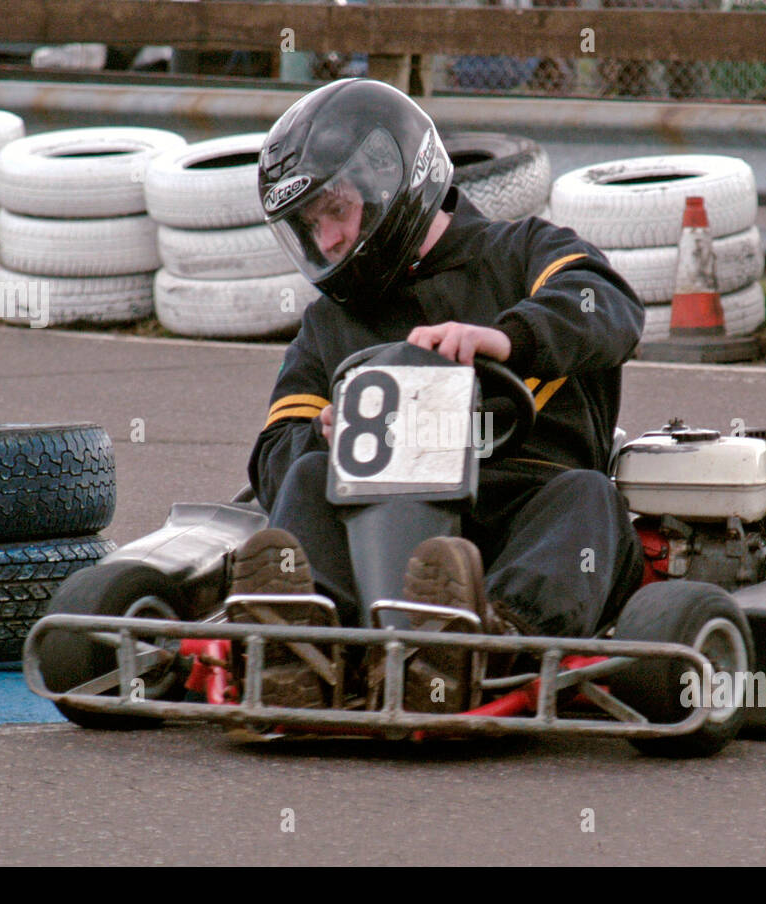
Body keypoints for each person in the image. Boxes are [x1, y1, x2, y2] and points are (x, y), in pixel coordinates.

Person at [236, 77, 646, 711]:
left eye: (336, 212)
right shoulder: (330, 322)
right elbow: (273, 451)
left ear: (388, 178)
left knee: (590, 496)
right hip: (375, 543)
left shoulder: (521, 251)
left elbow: (610, 306)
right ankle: (302, 648)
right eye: (310, 226)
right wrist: (323, 434)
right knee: (308, 471)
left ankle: (481, 640)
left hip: (522, 511)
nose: (327, 242)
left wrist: (507, 339)